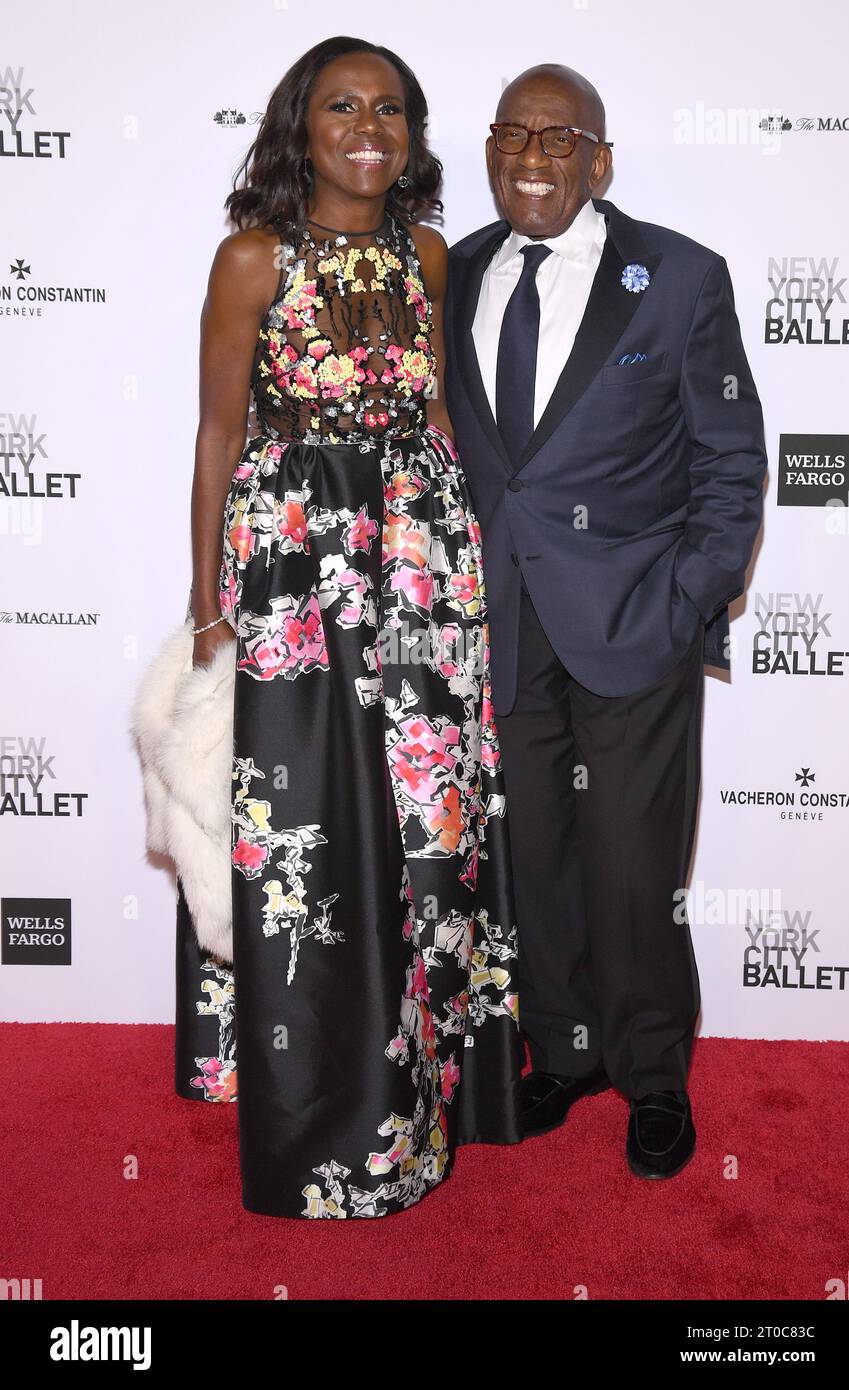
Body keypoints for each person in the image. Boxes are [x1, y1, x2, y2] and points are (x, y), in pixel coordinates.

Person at [175, 35, 523, 1220]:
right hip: (293, 564)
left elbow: (431, 410)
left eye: (389, 107)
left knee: (426, 822)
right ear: (300, 126)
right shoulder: (251, 260)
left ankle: (433, 1095)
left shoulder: (427, 253)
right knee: (309, 827)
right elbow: (220, 438)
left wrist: (459, 564)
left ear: (411, 135)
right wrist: (207, 608)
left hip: (418, 559)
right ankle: (312, 1105)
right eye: (341, 104)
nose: (367, 125)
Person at [444, 65, 766, 1178]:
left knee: (635, 867)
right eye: (510, 136)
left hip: (635, 621)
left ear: (599, 159)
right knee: (532, 855)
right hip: (504, 625)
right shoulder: (458, 271)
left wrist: (688, 601)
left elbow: (729, 460)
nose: (530, 158)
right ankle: (566, 1049)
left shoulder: (677, 277)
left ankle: (653, 1073)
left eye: (558, 137)